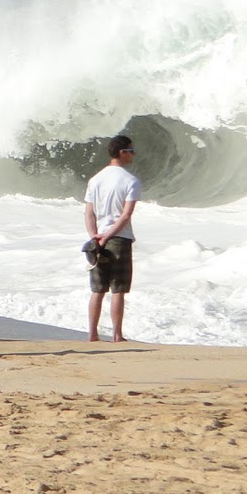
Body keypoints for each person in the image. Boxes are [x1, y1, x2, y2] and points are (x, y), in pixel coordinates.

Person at [83, 134, 141, 342]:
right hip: (119, 238)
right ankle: (117, 334)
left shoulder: (95, 179)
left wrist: (95, 237)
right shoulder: (130, 180)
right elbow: (125, 216)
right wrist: (109, 236)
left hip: (97, 239)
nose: (133, 154)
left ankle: (92, 333)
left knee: (98, 289)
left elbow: (89, 213)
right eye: (131, 151)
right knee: (118, 290)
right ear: (122, 152)